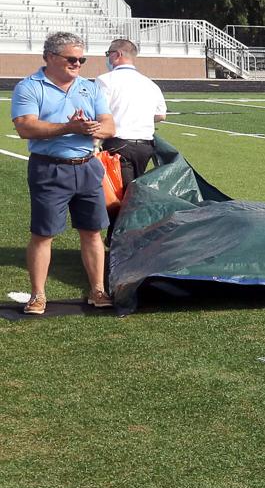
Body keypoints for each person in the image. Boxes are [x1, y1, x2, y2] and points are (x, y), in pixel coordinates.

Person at [10, 32, 116, 314]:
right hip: (49, 168)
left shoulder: (89, 87)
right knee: (43, 234)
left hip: (88, 167)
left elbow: (109, 125)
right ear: (50, 57)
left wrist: (93, 128)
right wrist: (69, 128)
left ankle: (98, 290)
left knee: (93, 232)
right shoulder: (30, 87)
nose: (78, 64)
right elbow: (25, 127)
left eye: (82, 59)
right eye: (72, 59)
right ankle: (38, 295)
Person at [95, 39, 167, 189]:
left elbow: (99, 112)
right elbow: (161, 115)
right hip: (145, 146)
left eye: (109, 53)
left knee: (118, 195)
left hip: (118, 144)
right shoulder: (150, 83)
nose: (108, 57)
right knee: (133, 191)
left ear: (118, 54)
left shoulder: (105, 80)